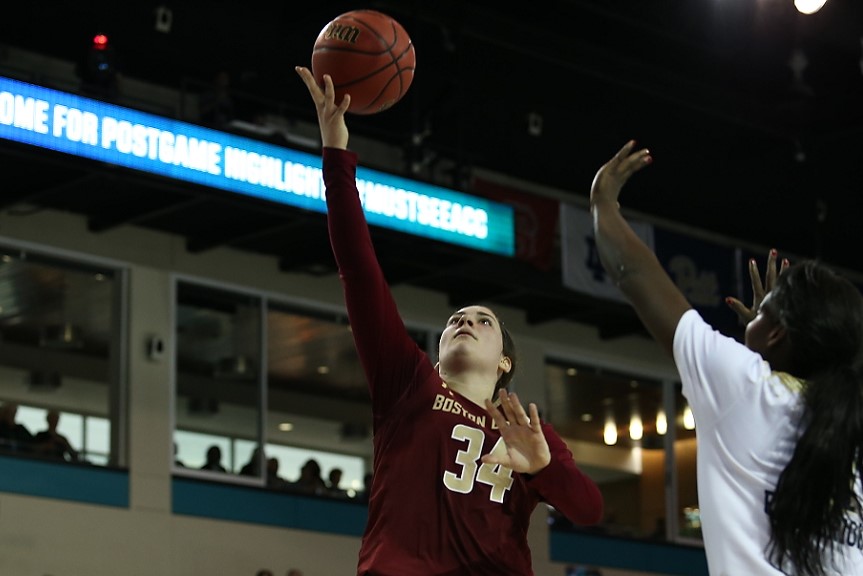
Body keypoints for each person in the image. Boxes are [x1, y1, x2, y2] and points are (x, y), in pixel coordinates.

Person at [295, 66, 604, 576]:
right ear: (437, 351)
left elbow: (589, 511)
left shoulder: (529, 432)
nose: (465, 321)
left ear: (504, 362)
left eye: (484, 321)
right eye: (456, 319)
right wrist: (336, 156)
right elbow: (359, 270)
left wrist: (544, 467)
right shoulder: (407, 384)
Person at [589, 140, 863, 575]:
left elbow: (633, 272)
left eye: (765, 311)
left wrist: (603, 202)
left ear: (778, 333)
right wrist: (765, 346)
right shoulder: (849, 431)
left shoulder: (742, 384)